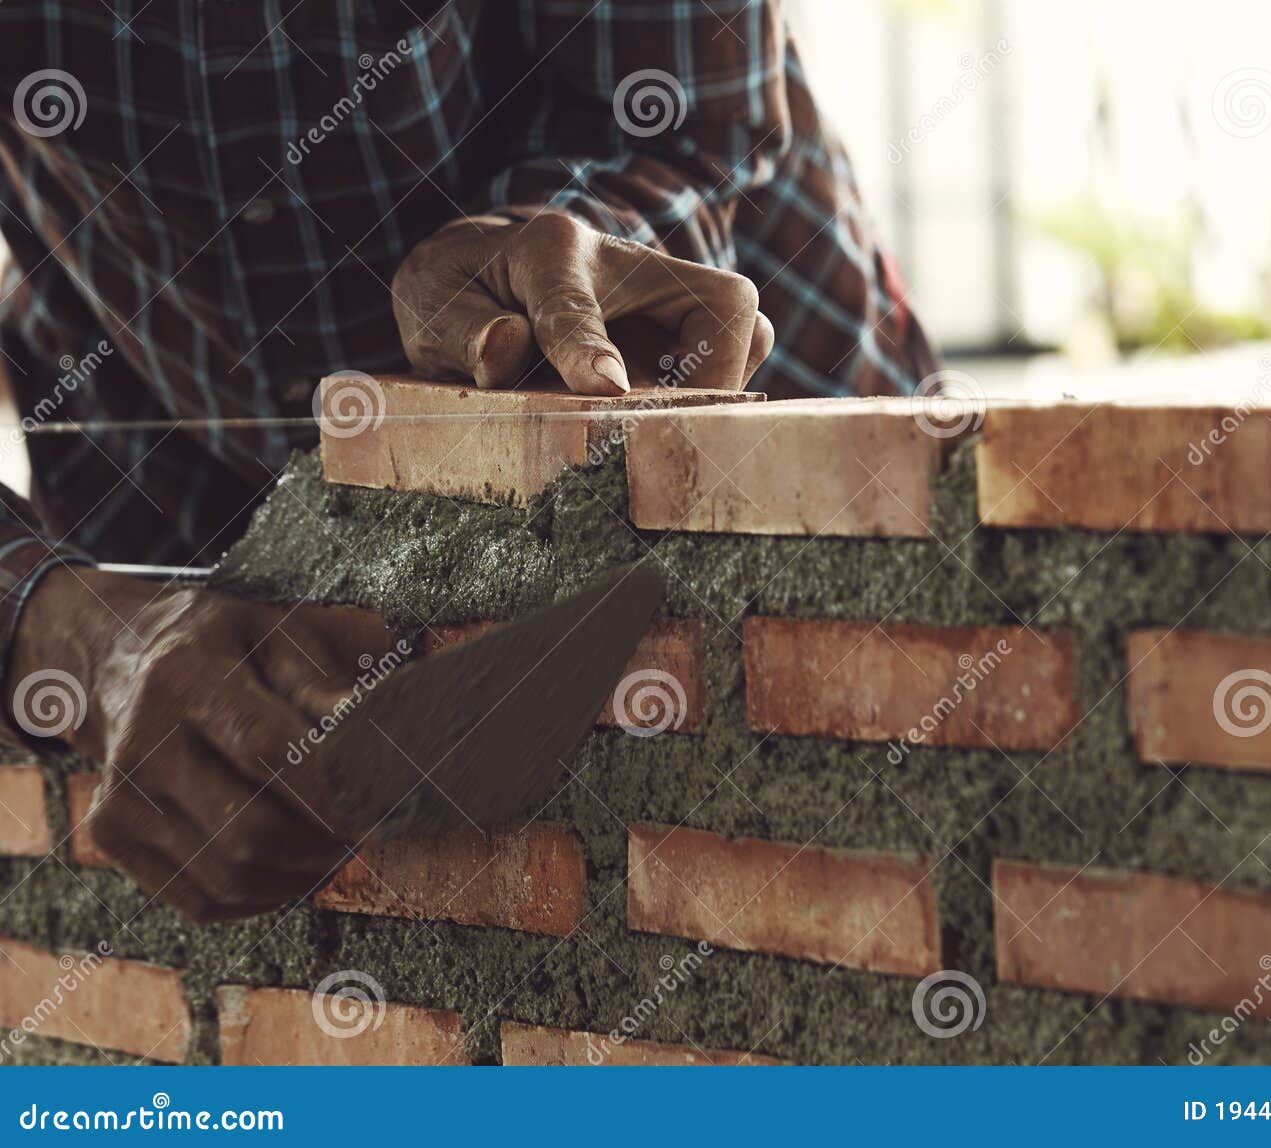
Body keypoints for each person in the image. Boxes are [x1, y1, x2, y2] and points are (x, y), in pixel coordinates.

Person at [0, 2, 935, 919]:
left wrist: (541, 244)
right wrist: (70, 635)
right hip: (157, 435)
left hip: (742, 363)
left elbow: (666, 118)